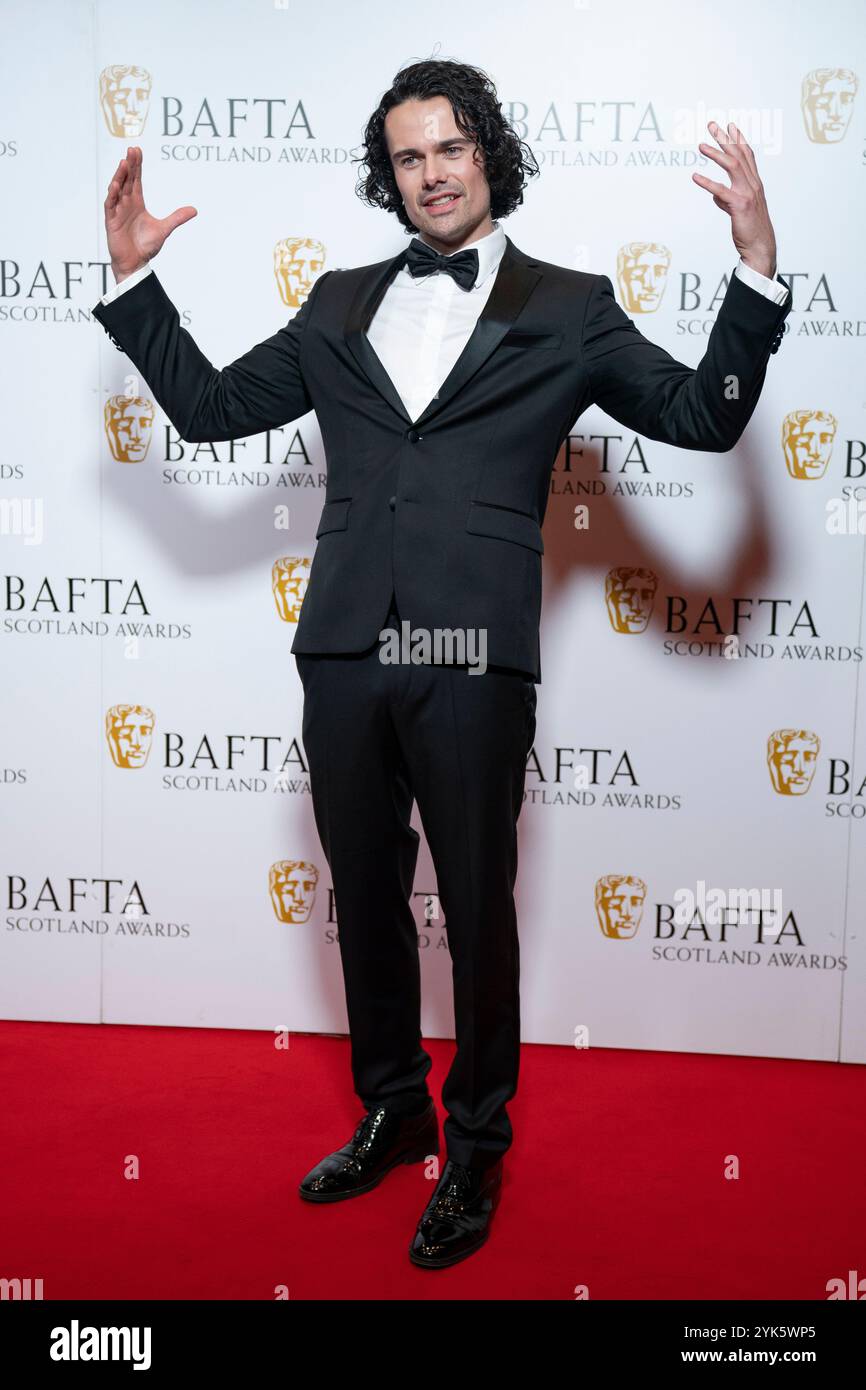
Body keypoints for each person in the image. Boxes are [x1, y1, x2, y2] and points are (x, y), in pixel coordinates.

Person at [92, 57, 791, 1271]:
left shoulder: (569, 307)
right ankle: (391, 1104)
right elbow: (207, 408)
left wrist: (753, 270)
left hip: (474, 653)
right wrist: (136, 280)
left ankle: (473, 1147)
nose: (431, 174)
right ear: (390, 175)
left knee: (473, 905)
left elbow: (700, 415)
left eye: (450, 148)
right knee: (362, 895)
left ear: (488, 156)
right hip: (344, 647)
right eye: (409, 156)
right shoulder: (334, 304)